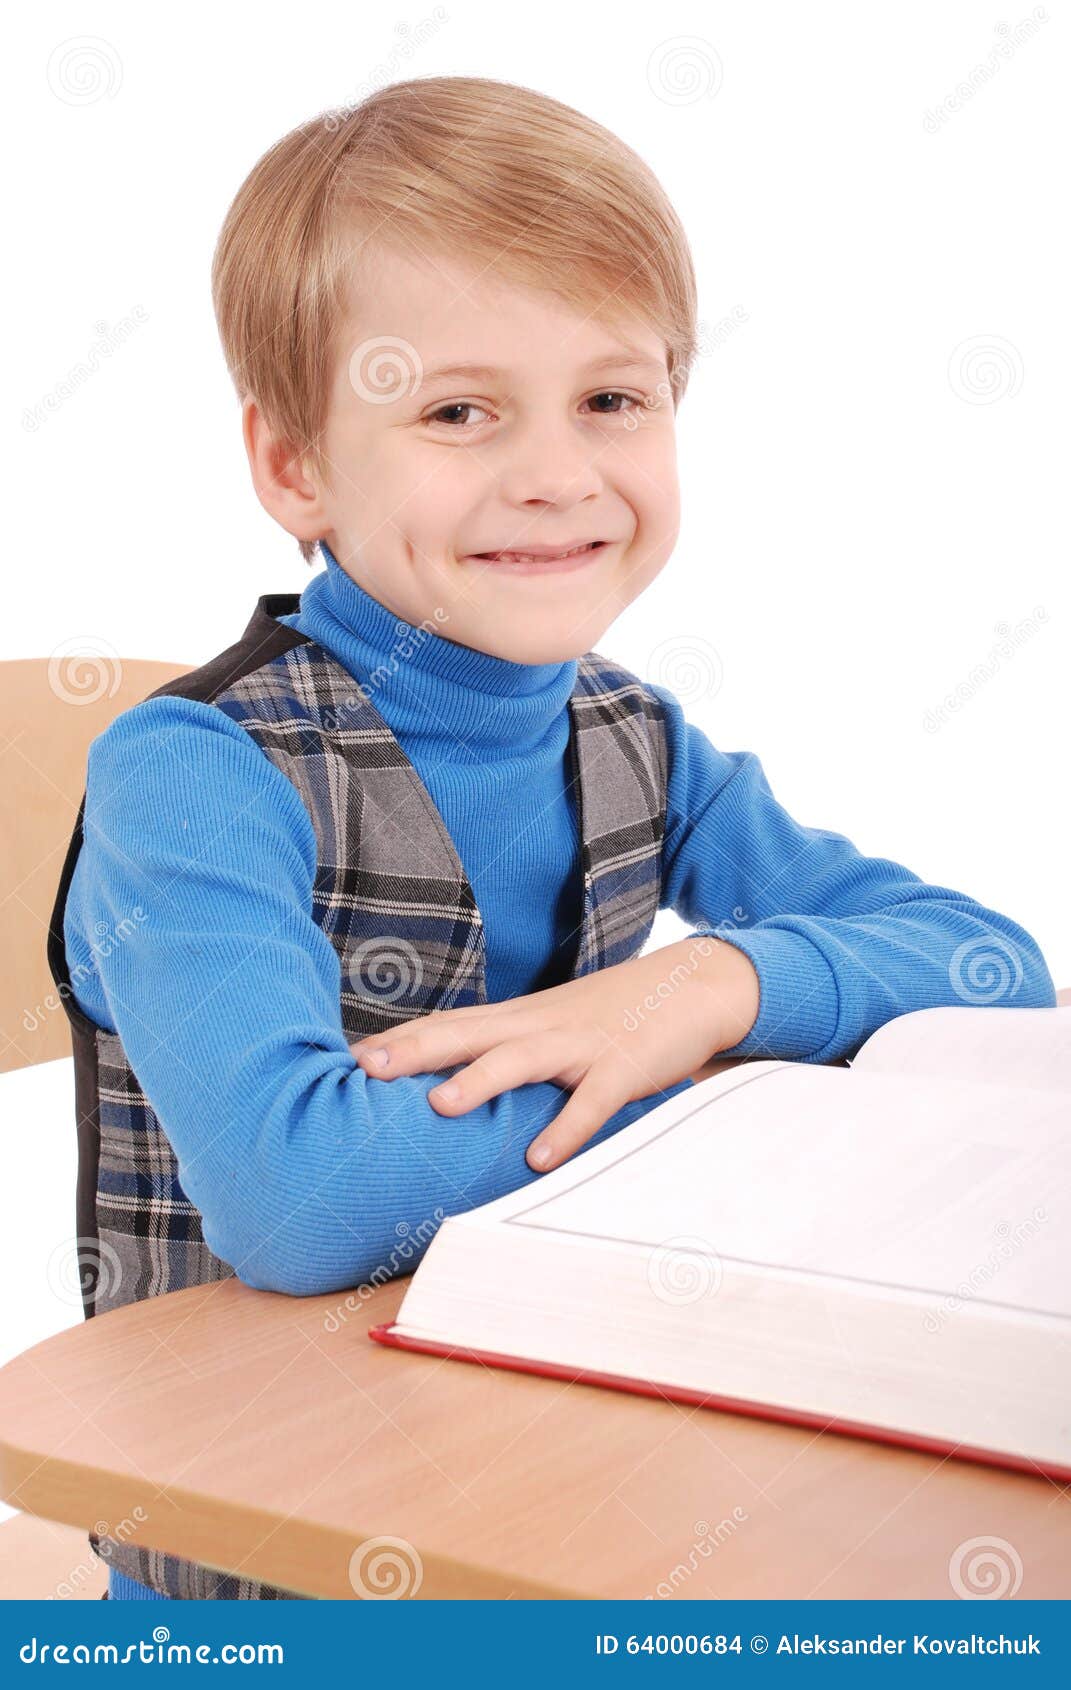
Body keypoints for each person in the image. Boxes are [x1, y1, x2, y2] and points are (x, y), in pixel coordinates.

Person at [52, 75, 1056, 1601]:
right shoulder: (193, 775)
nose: (557, 474)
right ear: (294, 466)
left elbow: (990, 969)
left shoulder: (633, 734)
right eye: (459, 409)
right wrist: (715, 1085)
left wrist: (702, 989)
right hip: (258, 1541)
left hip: (545, 1430)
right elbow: (302, 1197)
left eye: (612, 398)